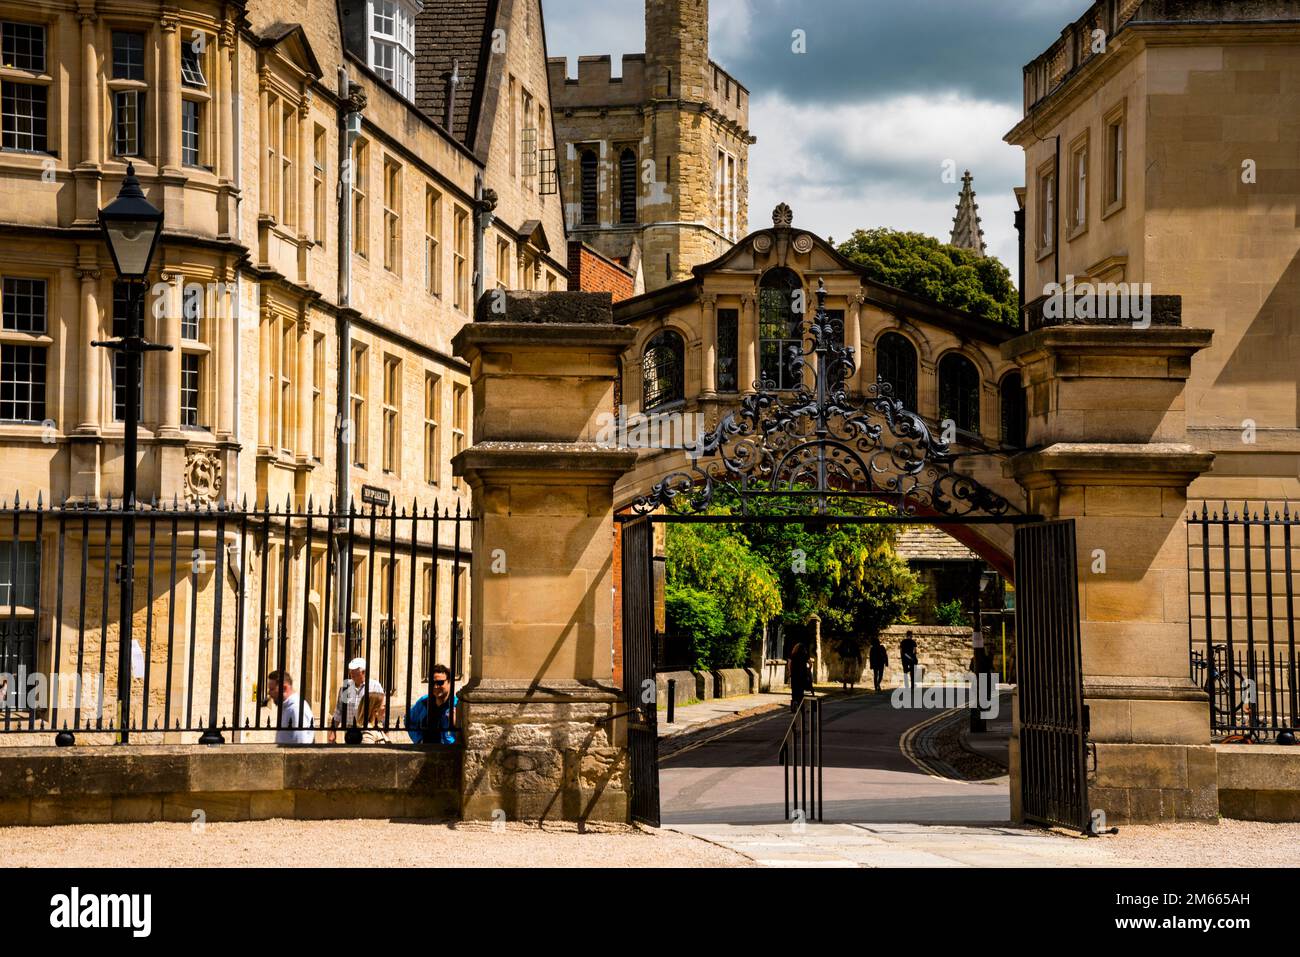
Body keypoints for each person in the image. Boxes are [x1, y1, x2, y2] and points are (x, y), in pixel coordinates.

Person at [328, 657, 385, 743]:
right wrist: (333, 731)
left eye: (356, 673)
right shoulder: (346, 686)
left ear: (364, 672)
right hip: (350, 731)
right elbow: (339, 711)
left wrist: (385, 731)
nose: (352, 676)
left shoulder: (375, 686)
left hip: (369, 730)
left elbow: (382, 708)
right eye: (351, 673)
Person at [408, 664, 458, 744]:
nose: (436, 686)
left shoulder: (457, 705)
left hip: (448, 753)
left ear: (449, 682)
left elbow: (466, 736)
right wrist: (419, 740)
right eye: (432, 683)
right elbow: (408, 721)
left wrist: (456, 725)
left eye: (440, 682)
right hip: (425, 752)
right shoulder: (424, 702)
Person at [265, 670, 315, 745]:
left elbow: (300, 746)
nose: (269, 693)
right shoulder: (287, 707)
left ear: (284, 688)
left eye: (272, 689)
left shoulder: (296, 709)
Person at [787, 643, 813, 712]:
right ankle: (801, 706)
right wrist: (808, 669)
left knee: (794, 690)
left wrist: (790, 672)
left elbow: (789, 663)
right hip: (802, 674)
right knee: (801, 691)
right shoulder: (805, 655)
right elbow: (810, 663)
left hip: (794, 675)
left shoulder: (793, 655)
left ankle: (794, 706)